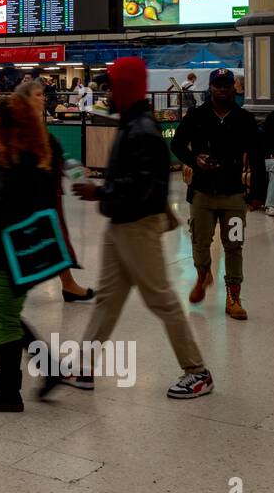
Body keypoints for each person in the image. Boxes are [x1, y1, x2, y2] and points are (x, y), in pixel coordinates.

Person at [49, 57, 215, 400]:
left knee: (161, 300)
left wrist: (101, 190)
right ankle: (83, 368)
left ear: (125, 87)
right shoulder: (131, 123)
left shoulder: (142, 130)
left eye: (111, 85)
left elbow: (146, 189)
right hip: (120, 223)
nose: (106, 92)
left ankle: (197, 372)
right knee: (108, 298)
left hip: (138, 225)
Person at [0, 95, 54, 412]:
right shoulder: (23, 159)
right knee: (5, 312)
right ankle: (49, 367)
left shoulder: (5, 166)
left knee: (2, 317)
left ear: (1, 125)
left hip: (3, 254)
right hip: (19, 254)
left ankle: (8, 392)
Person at [170, 68, 266, 321]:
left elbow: (257, 156)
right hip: (201, 192)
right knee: (199, 241)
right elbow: (177, 144)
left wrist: (257, 192)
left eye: (226, 84)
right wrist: (194, 159)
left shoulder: (244, 119)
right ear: (210, 87)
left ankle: (234, 296)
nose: (222, 89)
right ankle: (203, 275)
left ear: (234, 87)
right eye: (218, 84)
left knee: (234, 245)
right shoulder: (197, 115)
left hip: (234, 195)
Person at [15, 80, 94, 302]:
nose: (43, 98)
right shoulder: (19, 127)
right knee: (30, 240)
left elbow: (56, 151)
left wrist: (74, 168)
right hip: (32, 195)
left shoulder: (37, 124)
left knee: (52, 238)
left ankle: (68, 285)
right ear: (26, 99)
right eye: (38, 95)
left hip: (47, 193)